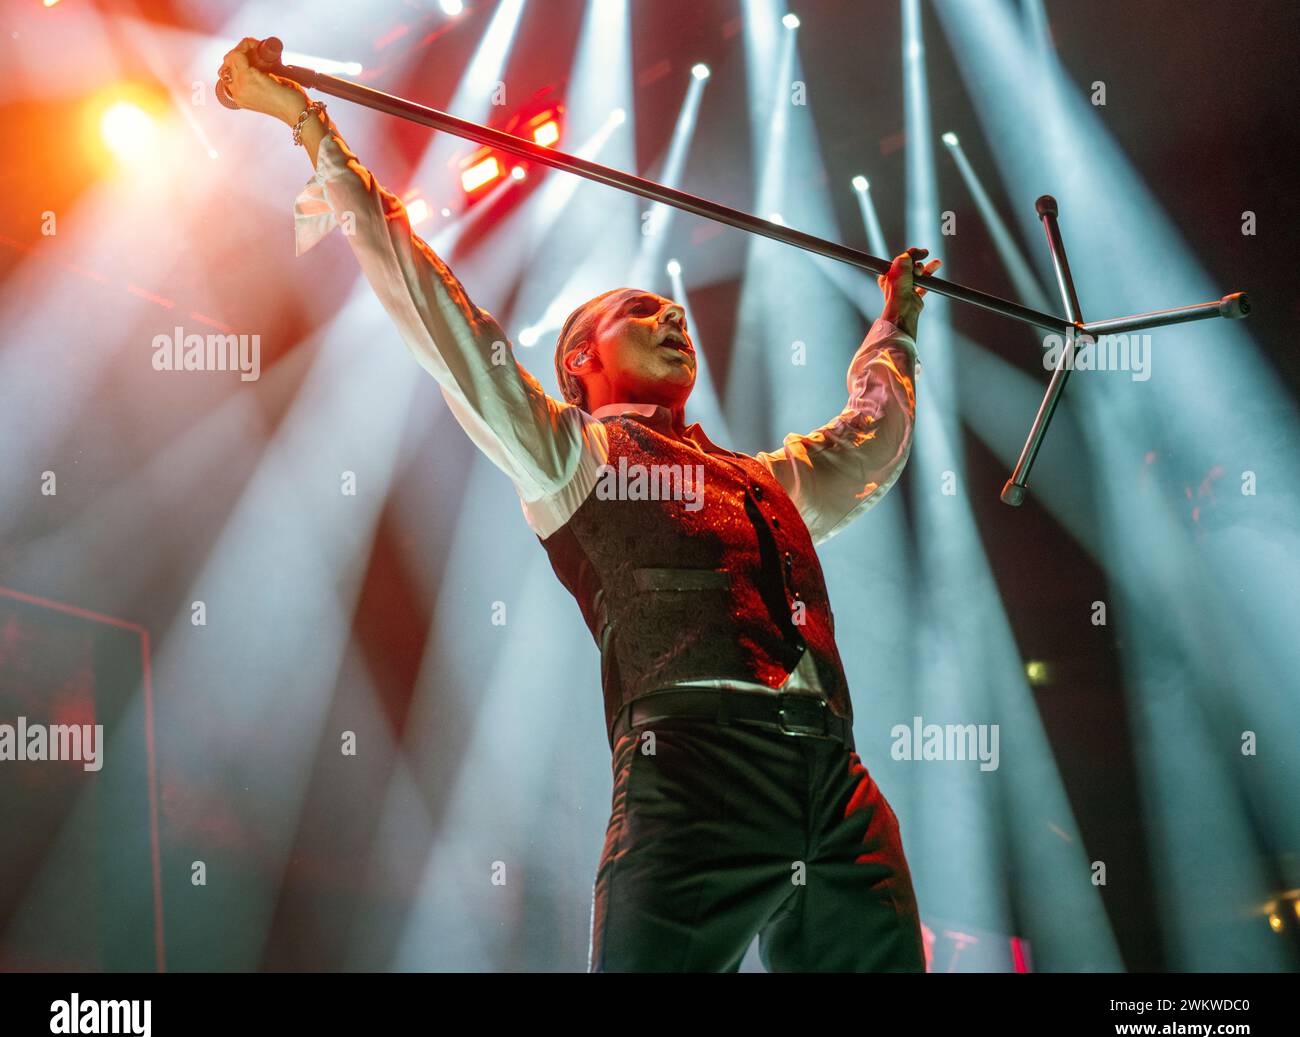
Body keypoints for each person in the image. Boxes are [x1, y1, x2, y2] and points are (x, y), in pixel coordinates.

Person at [220, 38, 940, 973]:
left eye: (672, 310)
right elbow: (439, 318)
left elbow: (867, 442)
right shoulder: (573, 453)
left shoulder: (768, 478)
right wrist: (317, 131)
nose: (673, 317)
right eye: (640, 313)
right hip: (691, 774)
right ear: (579, 362)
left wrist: (895, 330)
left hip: (834, 780)